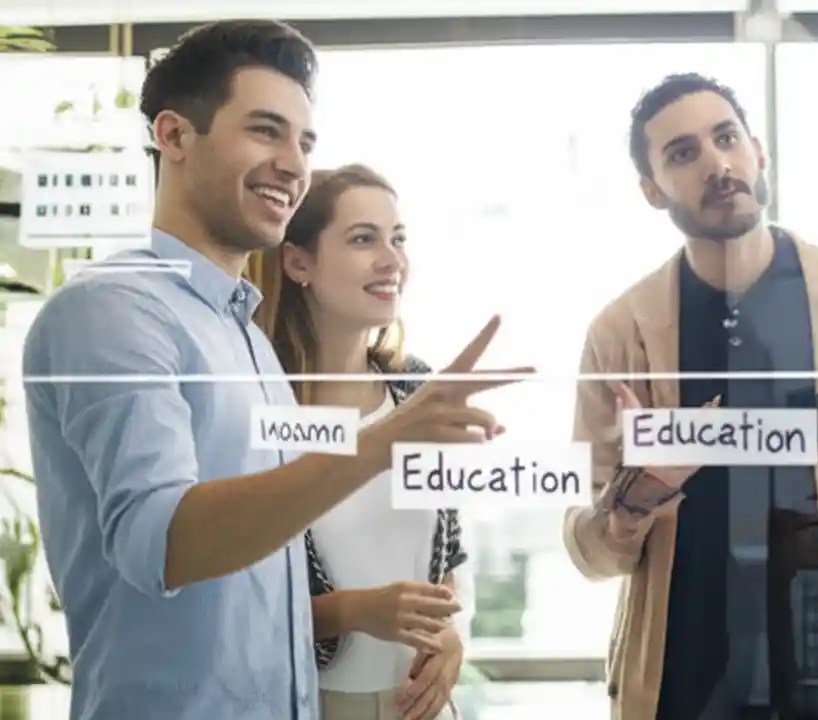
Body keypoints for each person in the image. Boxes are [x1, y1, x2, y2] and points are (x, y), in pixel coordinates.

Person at [20, 20, 523, 719]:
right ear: (173, 137)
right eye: (265, 130)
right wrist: (381, 443)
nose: (293, 163)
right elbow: (162, 542)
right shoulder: (114, 311)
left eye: (305, 142)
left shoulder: (245, 338)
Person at [562, 72, 818, 720]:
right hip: (679, 696)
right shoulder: (621, 334)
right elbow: (588, 551)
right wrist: (634, 501)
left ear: (758, 152)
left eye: (726, 138)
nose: (716, 163)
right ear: (652, 189)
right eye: (683, 153)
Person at [248, 163, 471, 720]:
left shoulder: (417, 387)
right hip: (305, 705)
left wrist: (449, 638)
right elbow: (233, 596)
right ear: (298, 261)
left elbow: (448, 552)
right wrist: (348, 611)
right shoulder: (258, 407)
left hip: (420, 706)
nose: (393, 260)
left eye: (397, 239)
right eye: (363, 239)